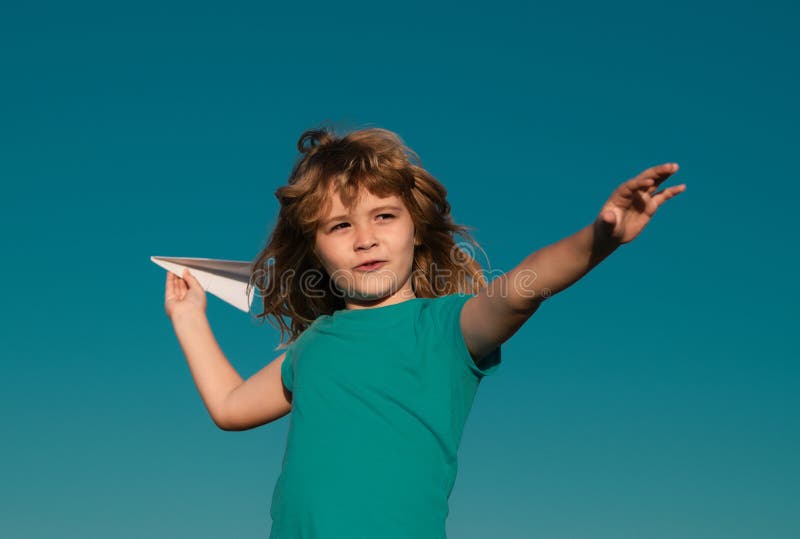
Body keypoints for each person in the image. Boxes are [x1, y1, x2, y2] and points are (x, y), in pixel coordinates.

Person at [163, 125, 686, 538]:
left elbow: (526, 285)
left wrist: (599, 239)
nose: (365, 238)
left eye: (384, 216)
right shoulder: (313, 346)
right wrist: (189, 319)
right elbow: (231, 407)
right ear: (315, 247)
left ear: (416, 230)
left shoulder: (446, 329)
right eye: (341, 225)